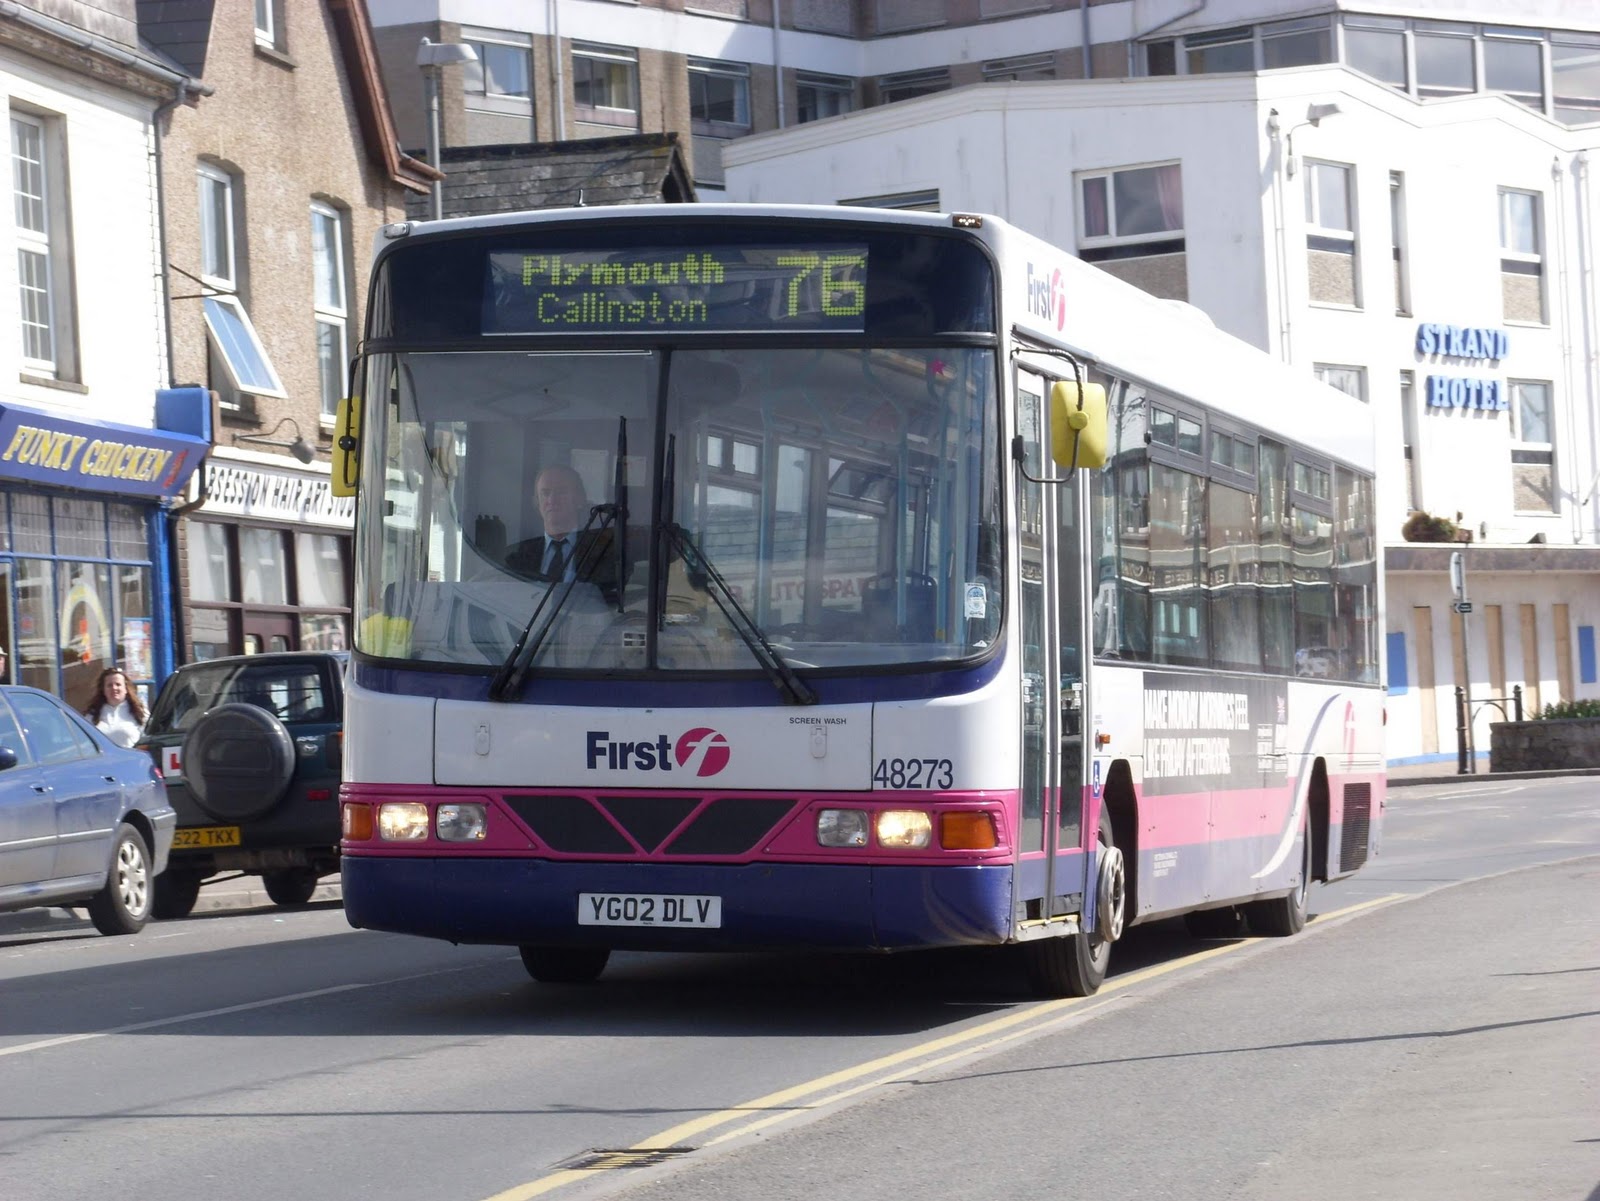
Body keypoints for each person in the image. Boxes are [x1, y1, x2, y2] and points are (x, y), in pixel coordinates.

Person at [504, 465, 616, 589]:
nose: (552, 500)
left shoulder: (602, 552)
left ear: (580, 499)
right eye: (545, 493)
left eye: (561, 492)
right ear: (537, 502)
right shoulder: (521, 555)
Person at [85, 667, 147, 748]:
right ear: (103, 690)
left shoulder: (139, 712)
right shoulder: (93, 714)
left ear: (126, 689)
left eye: (118, 684)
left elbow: (147, 740)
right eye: (109, 685)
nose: (114, 688)